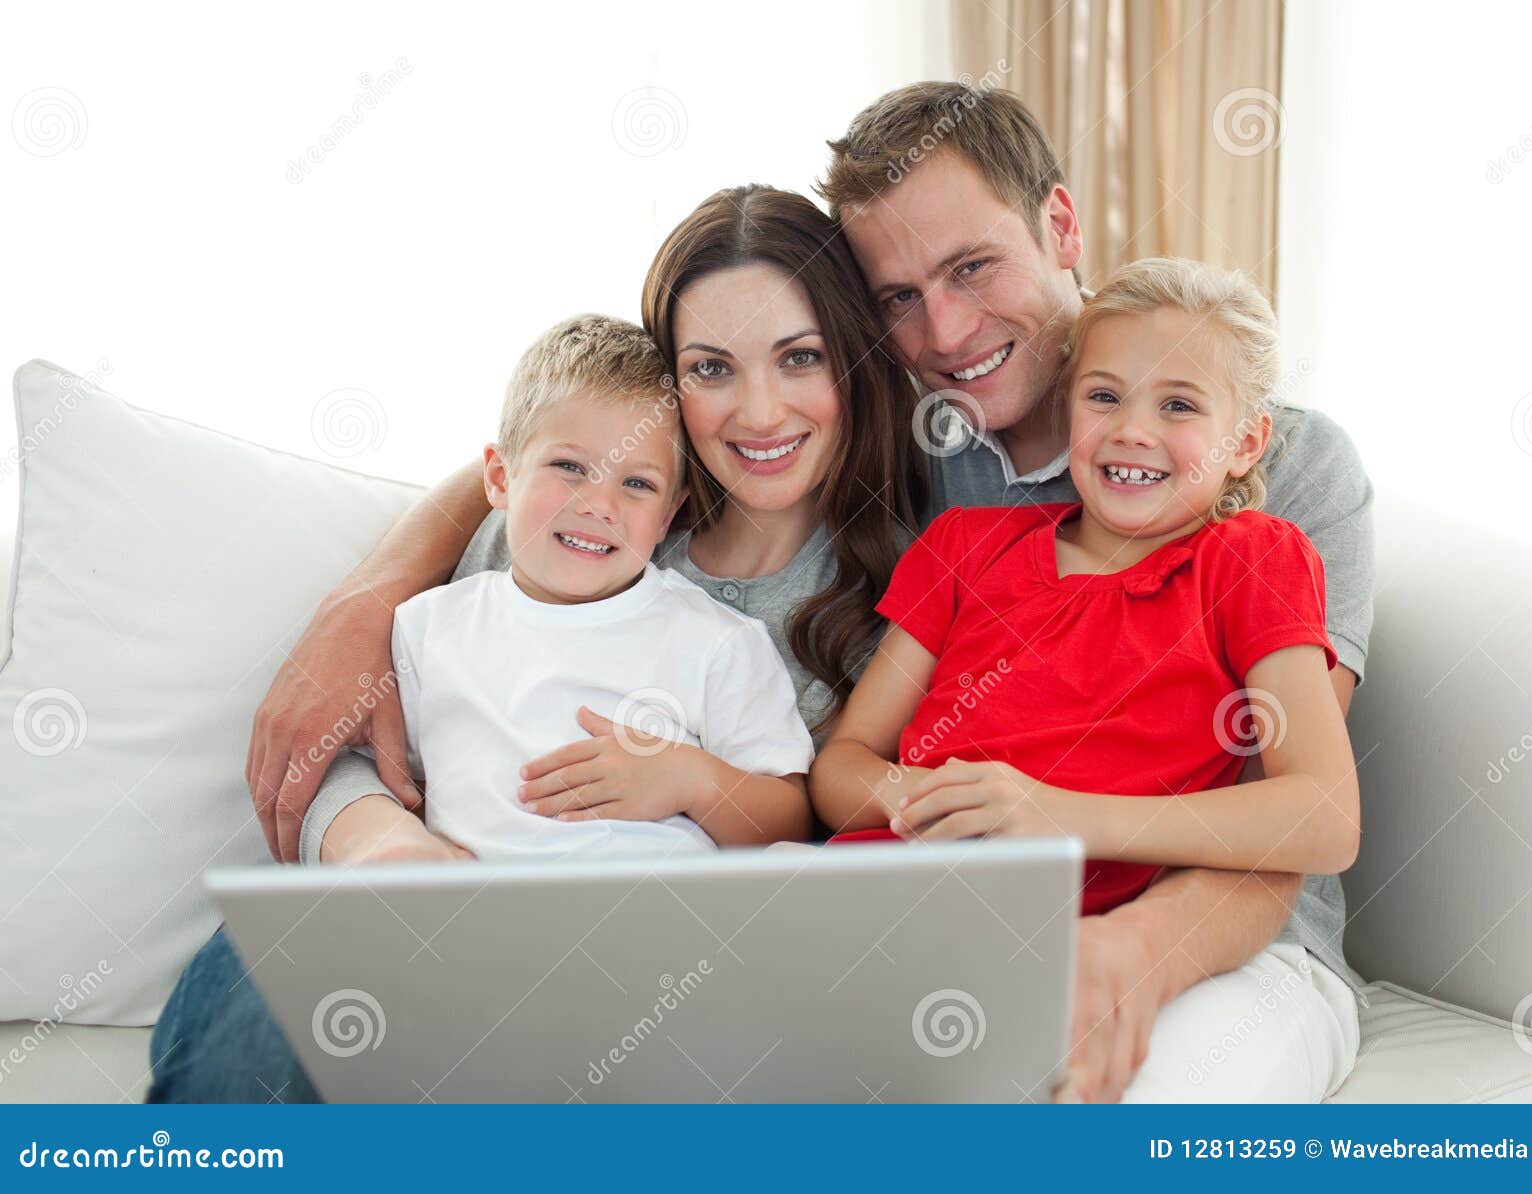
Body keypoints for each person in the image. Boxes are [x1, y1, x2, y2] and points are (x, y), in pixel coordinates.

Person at [149, 185, 924, 1102]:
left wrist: (687, 781)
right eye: (711, 368)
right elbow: (379, 747)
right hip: (443, 921)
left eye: (800, 358)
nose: (758, 412)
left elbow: (798, 826)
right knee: (263, 970)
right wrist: (380, 846)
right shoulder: (552, 537)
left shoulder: (897, 602)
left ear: (855, 360)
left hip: (653, 966)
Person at [815, 82, 1374, 1101]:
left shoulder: (1283, 486)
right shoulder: (925, 484)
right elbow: (631, 423)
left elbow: (1276, 812)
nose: (942, 333)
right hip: (951, 919)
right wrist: (423, 553)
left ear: (1060, 224)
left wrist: (1131, 948)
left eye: (972, 267)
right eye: (898, 296)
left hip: (1230, 943)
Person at [322, 313, 814, 867]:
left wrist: (693, 781)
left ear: (667, 515)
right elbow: (385, 780)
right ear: (500, 477)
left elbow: (790, 819)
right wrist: (414, 846)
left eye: (637, 483)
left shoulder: (719, 642)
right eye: (570, 466)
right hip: (475, 918)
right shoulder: (427, 629)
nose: (599, 505)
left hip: (661, 918)